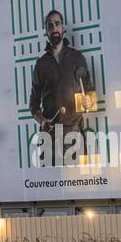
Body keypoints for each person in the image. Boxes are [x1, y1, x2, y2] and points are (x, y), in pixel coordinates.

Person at [29, 10, 95, 163]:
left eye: (57, 24)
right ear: (46, 31)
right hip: (50, 137)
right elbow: (33, 104)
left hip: (74, 133)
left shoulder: (77, 58)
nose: (54, 29)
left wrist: (89, 101)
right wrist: (43, 121)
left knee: (79, 184)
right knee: (50, 185)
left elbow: (90, 91)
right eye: (50, 26)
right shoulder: (41, 64)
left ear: (63, 28)